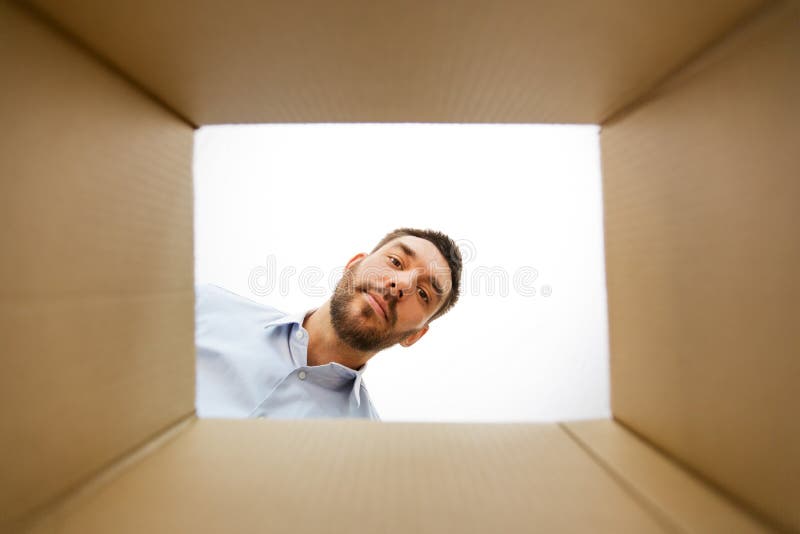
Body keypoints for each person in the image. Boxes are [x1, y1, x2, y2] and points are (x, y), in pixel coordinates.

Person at [195, 228, 463, 420]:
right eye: (395, 261)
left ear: (415, 336)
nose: (402, 285)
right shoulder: (203, 309)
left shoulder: (368, 455)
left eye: (423, 294)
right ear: (354, 264)